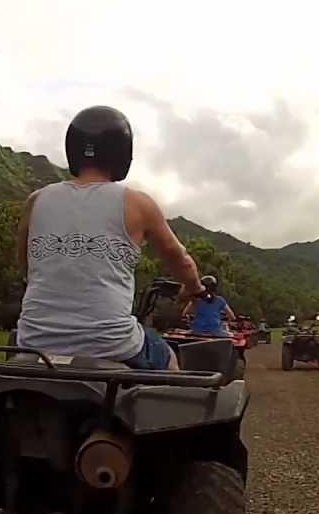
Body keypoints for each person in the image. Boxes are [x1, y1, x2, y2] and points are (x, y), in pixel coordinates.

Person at [15, 106, 205, 370]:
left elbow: (24, 262)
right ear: (122, 153)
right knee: (167, 358)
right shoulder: (138, 204)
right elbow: (180, 260)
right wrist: (194, 288)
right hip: (112, 344)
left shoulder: (36, 200)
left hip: (33, 341)